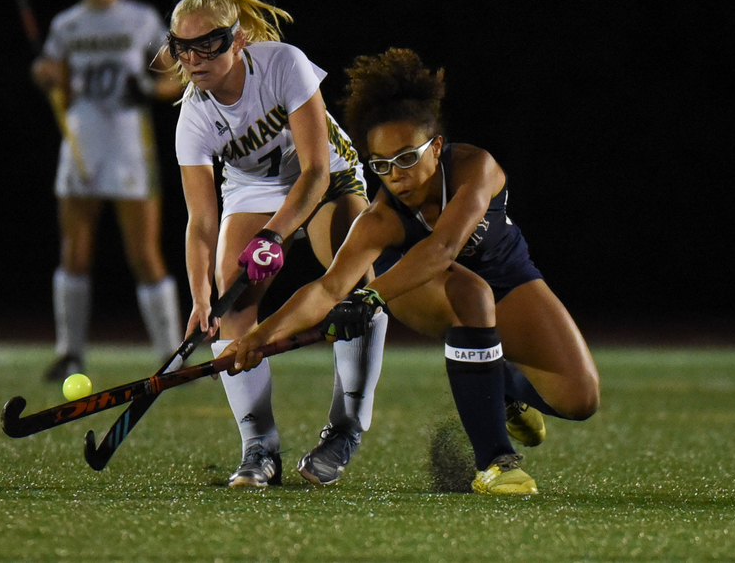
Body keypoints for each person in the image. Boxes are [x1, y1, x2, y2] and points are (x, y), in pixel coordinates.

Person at [224, 48, 600, 495]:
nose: (395, 176)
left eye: (406, 158)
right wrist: (258, 337)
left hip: (506, 274)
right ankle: (495, 464)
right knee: (472, 296)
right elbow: (327, 289)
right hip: (417, 284)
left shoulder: (474, 169)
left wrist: (369, 297)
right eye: (380, 165)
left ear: (436, 146)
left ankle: (500, 388)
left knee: (580, 400)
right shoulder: (379, 220)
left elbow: (442, 247)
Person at [168, 0, 388, 488]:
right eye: (183, 49)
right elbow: (200, 221)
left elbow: (312, 172)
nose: (196, 59)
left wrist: (273, 236)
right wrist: (203, 298)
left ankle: (345, 430)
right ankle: (259, 448)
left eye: (210, 44)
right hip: (254, 188)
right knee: (233, 300)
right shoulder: (193, 120)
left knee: (356, 283)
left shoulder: (283, 63)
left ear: (238, 38)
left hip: (326, 176)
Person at [30, 0, 185, 382]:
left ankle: (169, 355)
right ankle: (70, 352)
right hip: (81, 143)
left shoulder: (139, 20)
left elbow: (176, 75)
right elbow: (62, 83)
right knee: (74, 249)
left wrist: (154, 89)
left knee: (144, 253)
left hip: (129, 147)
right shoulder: (66, 25)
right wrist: (46, 75)